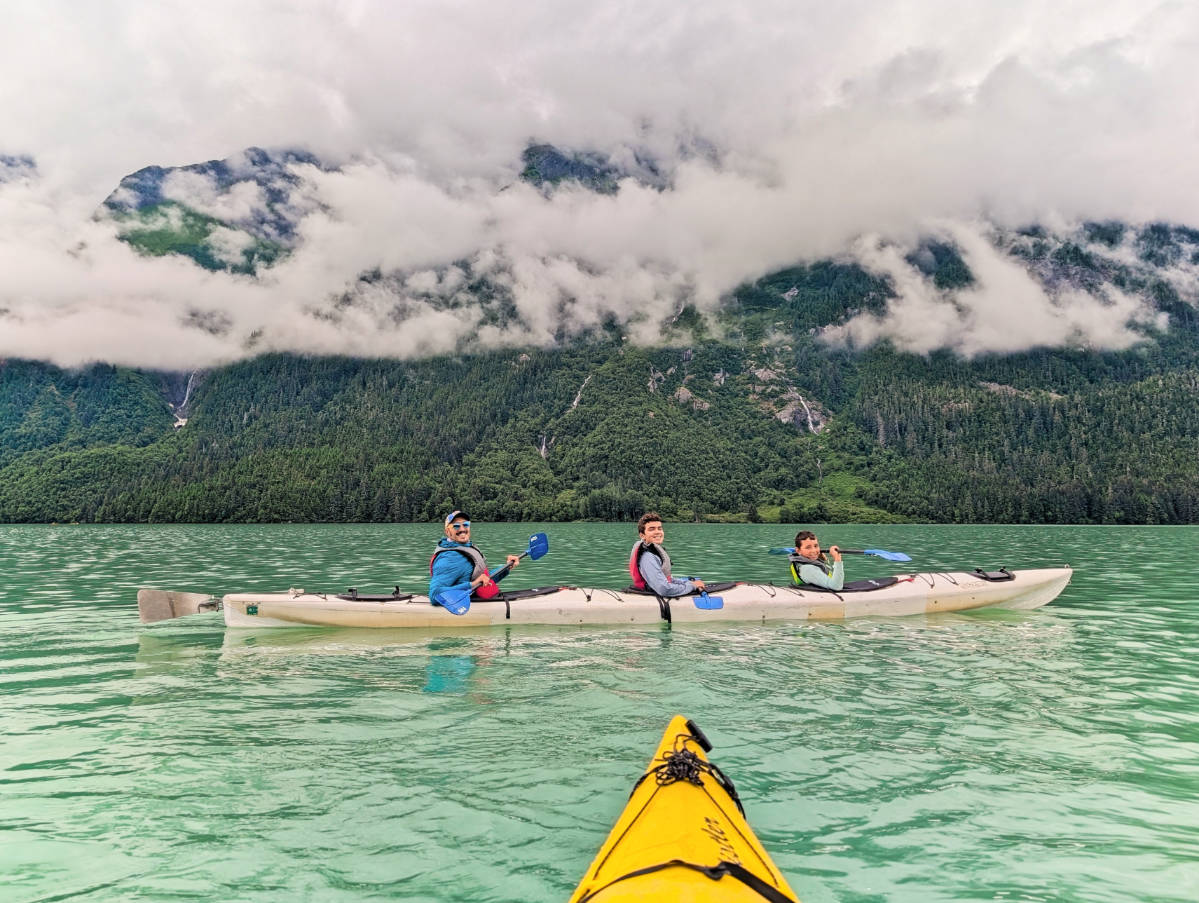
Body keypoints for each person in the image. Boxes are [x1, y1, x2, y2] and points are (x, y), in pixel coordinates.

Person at [428, 510, 521, 602]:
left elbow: (484, 579)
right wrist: (472, 584)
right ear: (448, 532)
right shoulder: (448, 558)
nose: (462, 529)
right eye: (456, 526)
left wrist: (507, 567)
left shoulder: (465, 548)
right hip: (464, 608)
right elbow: (435, 594)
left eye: (465, 524)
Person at [629, 512, 707, 597]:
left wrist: (688, 583)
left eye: (659, 528)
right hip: (650, 596)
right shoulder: (647, 557)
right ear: (642, 535)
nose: (657, 532)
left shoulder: (653, 551)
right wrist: (692, 586)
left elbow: (667, 579)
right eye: (652, 529)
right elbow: (664, 589)